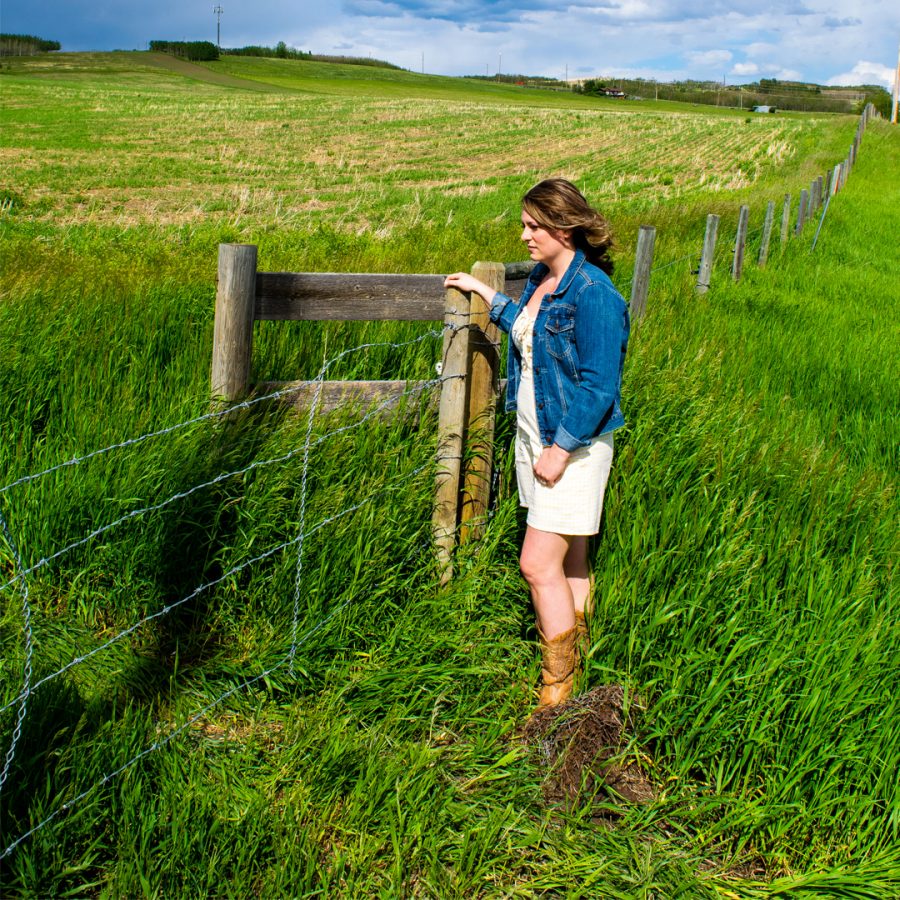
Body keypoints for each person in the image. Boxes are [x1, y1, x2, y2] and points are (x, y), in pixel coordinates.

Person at [444, 178, 629, 711]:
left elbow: (599, 385)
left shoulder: (594, 294)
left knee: (535, 563)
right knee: (570, 559)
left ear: (564, 227)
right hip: (536, 440)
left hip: (569, 448)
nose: (523, 235)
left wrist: (561, 447)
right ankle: (582, 661)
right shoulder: (545, 280)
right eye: (523, 224)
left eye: (533, 225)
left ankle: (556, 691)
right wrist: (486, 295)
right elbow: (528, 331)